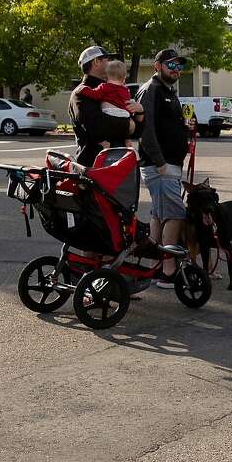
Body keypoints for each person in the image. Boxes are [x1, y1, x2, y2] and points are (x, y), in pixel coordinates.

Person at [137, 48, 192, 287]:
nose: (176, 69)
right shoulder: (152, 90)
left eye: (179, 66)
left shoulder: (168, 91)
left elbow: (166, 125)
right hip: (160, 166)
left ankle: (154, 266)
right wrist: (159, 162)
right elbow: (146, 131)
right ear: (157, 66)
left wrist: (184, 128)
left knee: (159, 215)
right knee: (174, 214)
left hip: (169, 164)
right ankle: (168, 271)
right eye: (171, 65)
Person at [70, 45, 141, 166]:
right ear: (96, 62)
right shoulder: (82, 92)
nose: (112, 63)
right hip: (96, 168)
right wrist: (129, 124)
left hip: (122, 165)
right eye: (108, 59)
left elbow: (138, 131)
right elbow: (98, 127)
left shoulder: (117, 88)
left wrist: (140, 112)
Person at [77, 59, 144, 149]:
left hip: (109, 111)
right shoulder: (125, 90)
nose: (108, 61)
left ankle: (104, 141)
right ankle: (127, 139)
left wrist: (84, 90)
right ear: (124, 78)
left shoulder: (104, 86)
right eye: (107, 59)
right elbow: (126, 103)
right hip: (124, 114)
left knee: (106, 128)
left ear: (106, 76)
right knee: (127, 123)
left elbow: (95, 94)